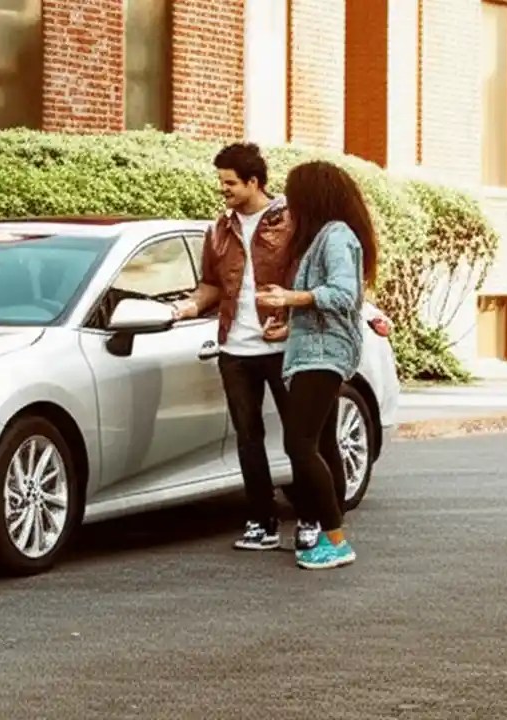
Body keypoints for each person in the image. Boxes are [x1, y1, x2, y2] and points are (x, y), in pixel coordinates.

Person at [170, 142, 320, 553]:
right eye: (221, 182)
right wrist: (187, 306)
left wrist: (292, 321)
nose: (224, 190)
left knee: (299, 439)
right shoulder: (219, 229)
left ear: (254, 182)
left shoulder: (292, 223)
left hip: (283, 347)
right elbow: (211, 285)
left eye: (230, 183)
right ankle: (262, 521)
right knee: (248, 438)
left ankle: (310, 518)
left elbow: (309, 281)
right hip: (235, 350)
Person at [255, 160, 379, 570]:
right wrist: (289, 329)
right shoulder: (325, 237)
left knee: (299, 444)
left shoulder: (336, 235)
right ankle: (331, 536)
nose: (288, 205)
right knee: (323, 445)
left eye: (293, 196)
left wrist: (289, 298)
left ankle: (336, 540)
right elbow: (328, 306)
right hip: (314, 351)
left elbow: (343, 294)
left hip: (324, 356)